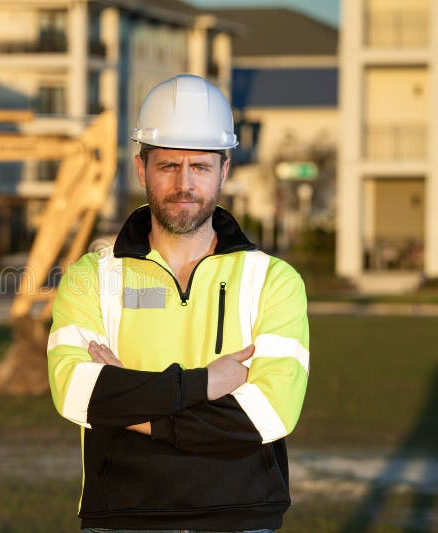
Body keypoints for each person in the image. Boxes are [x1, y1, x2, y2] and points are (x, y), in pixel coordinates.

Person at [47, 74, 309, 532]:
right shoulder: (91, 277)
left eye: (200, 167)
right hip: (123, 518)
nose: (183, 184)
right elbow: (77, 394)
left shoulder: (274, 281)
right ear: (141, 168)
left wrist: (135, 409)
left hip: (240, 519)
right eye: (168, 165)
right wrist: (206, 383)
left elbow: (267, 414)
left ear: (224, 171)